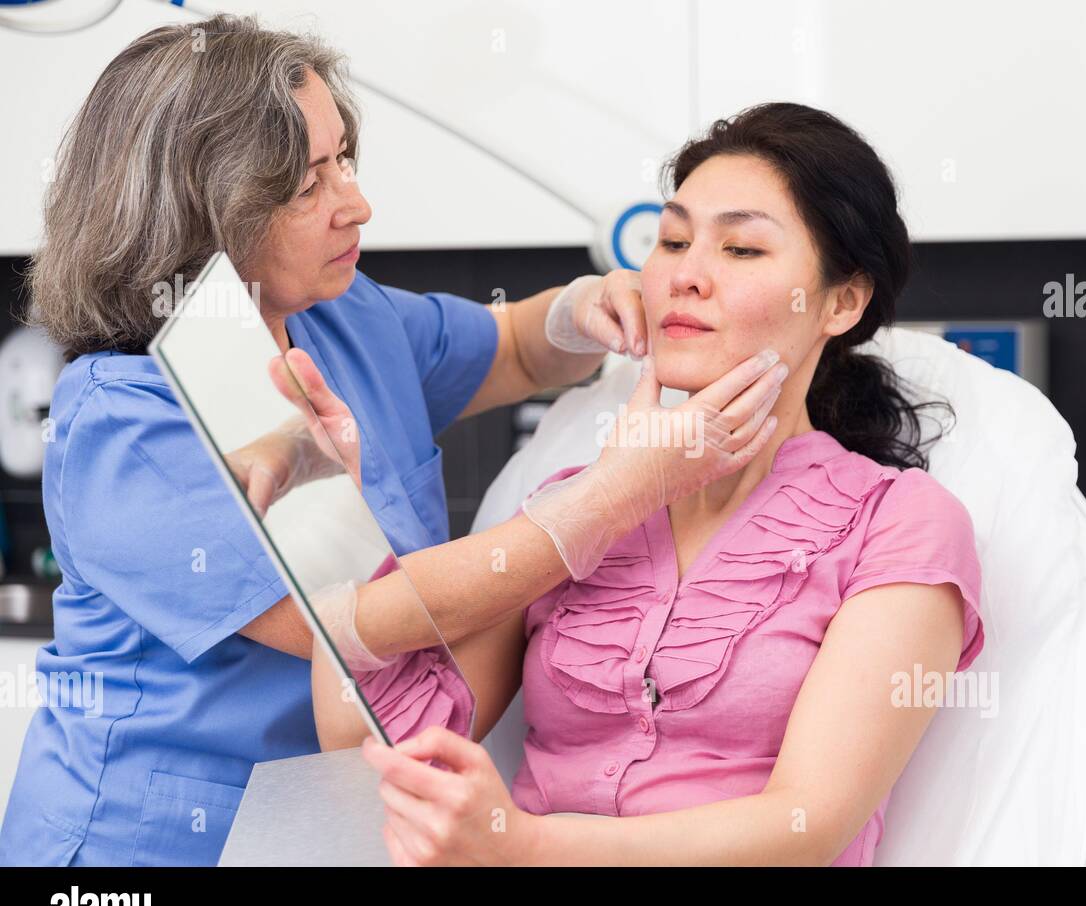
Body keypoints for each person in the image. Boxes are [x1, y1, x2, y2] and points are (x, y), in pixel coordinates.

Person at [0, 15, 783, 867]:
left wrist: (581, 311)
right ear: (211, 211)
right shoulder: (126, 422)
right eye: (309, 184)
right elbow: (358, 630)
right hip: (145, 847)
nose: (356, 203)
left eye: (345, 161)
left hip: (326, 823)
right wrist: (618, 492)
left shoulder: (337, 315)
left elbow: (516, 346)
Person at [316, 102, 988, 866]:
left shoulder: (898, 523)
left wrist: (527, 844)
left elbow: (808, 823)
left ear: (842, 301)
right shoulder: (580, 505)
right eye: (670, 241)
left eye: (740, 248)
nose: (685, 276)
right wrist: (605, 499)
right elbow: (366, 737)